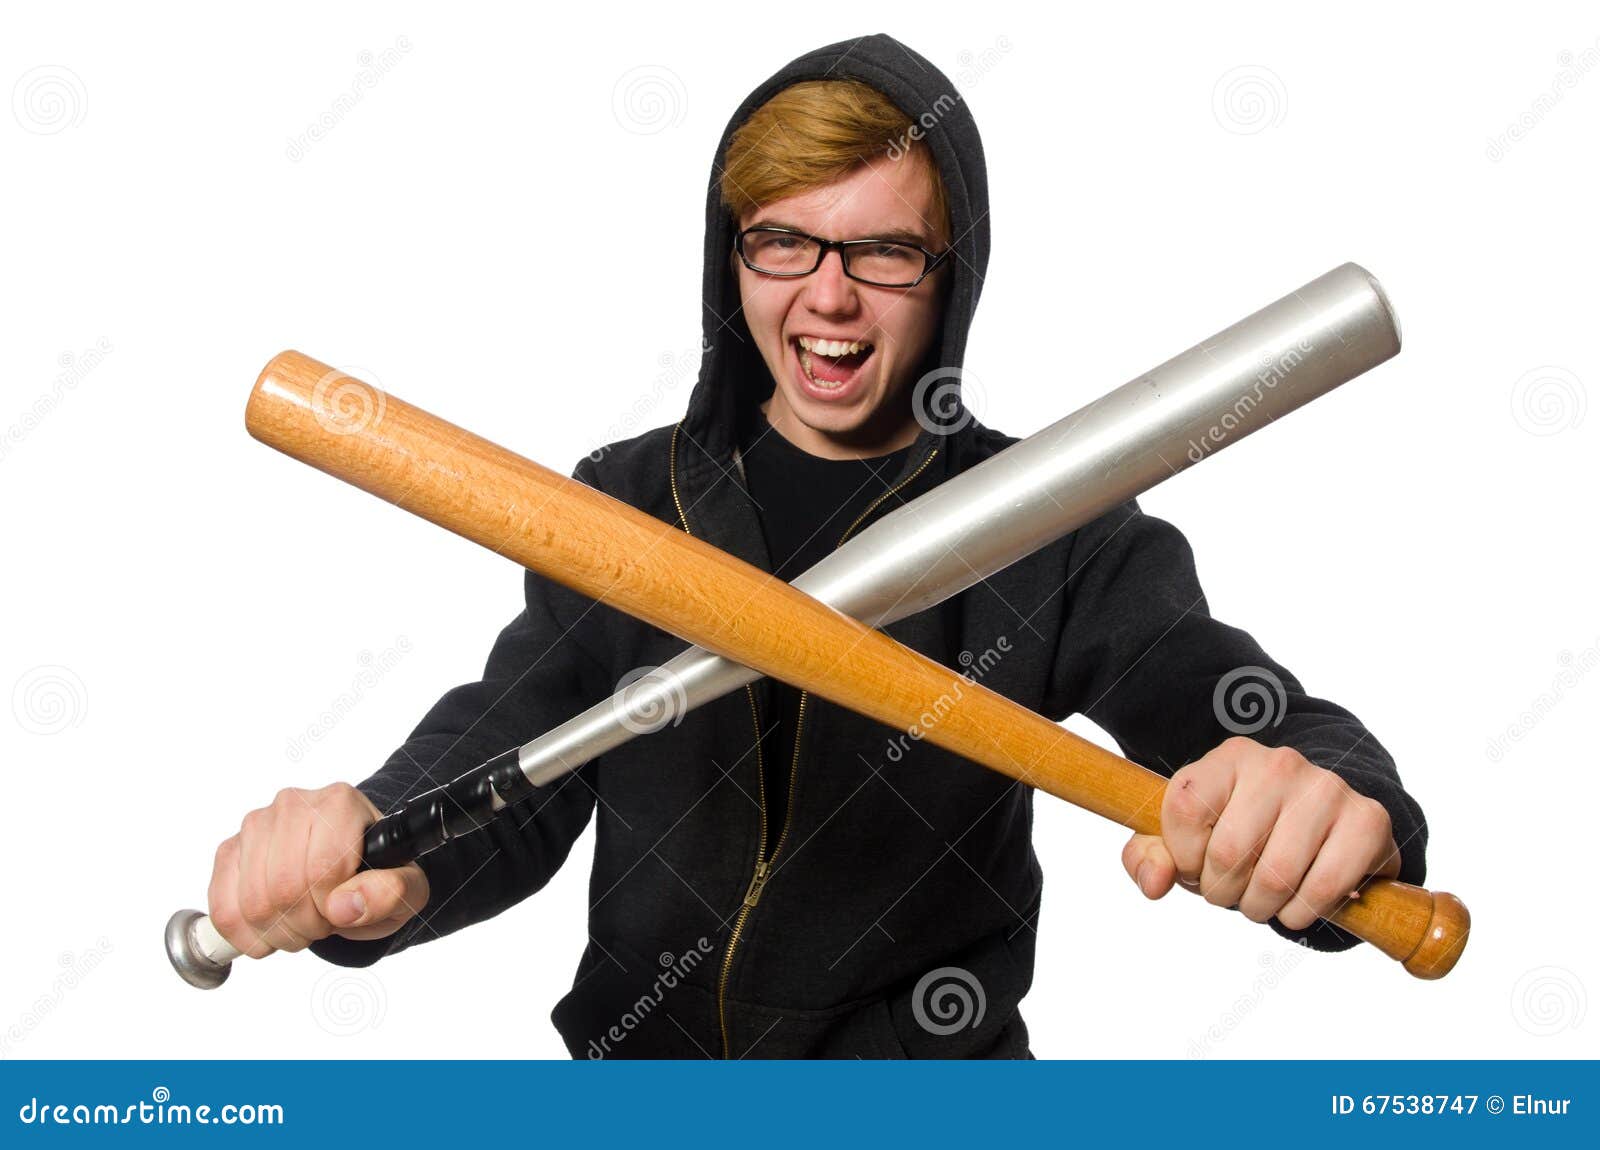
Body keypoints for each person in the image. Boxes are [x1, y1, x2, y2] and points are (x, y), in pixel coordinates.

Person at [206, 34, 1428, 1059]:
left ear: (950, 277)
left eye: (883, 251)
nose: (827, 296)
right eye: (781, 240)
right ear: (731, 256)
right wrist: (381, 843)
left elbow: (1242, 712)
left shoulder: (1053, 524)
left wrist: (1331, 801)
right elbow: (514, 749)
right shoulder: (624, 502)